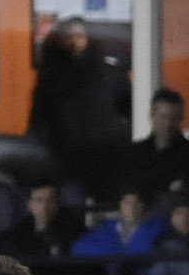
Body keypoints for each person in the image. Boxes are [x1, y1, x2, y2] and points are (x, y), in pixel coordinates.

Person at [28, 16, 128, 200]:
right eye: (69, 37)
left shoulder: (109, 73)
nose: (75, 42)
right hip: (66, 163)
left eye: (80, 36)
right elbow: (39, 124)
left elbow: (131, 110)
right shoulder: (51, 79)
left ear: (88, 38)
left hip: (107, 160)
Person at [125, 86, 189, 204]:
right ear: (152, 116)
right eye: (163, 117)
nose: (168, 123)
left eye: (174, 118)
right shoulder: (135, 153)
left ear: (181, 118)